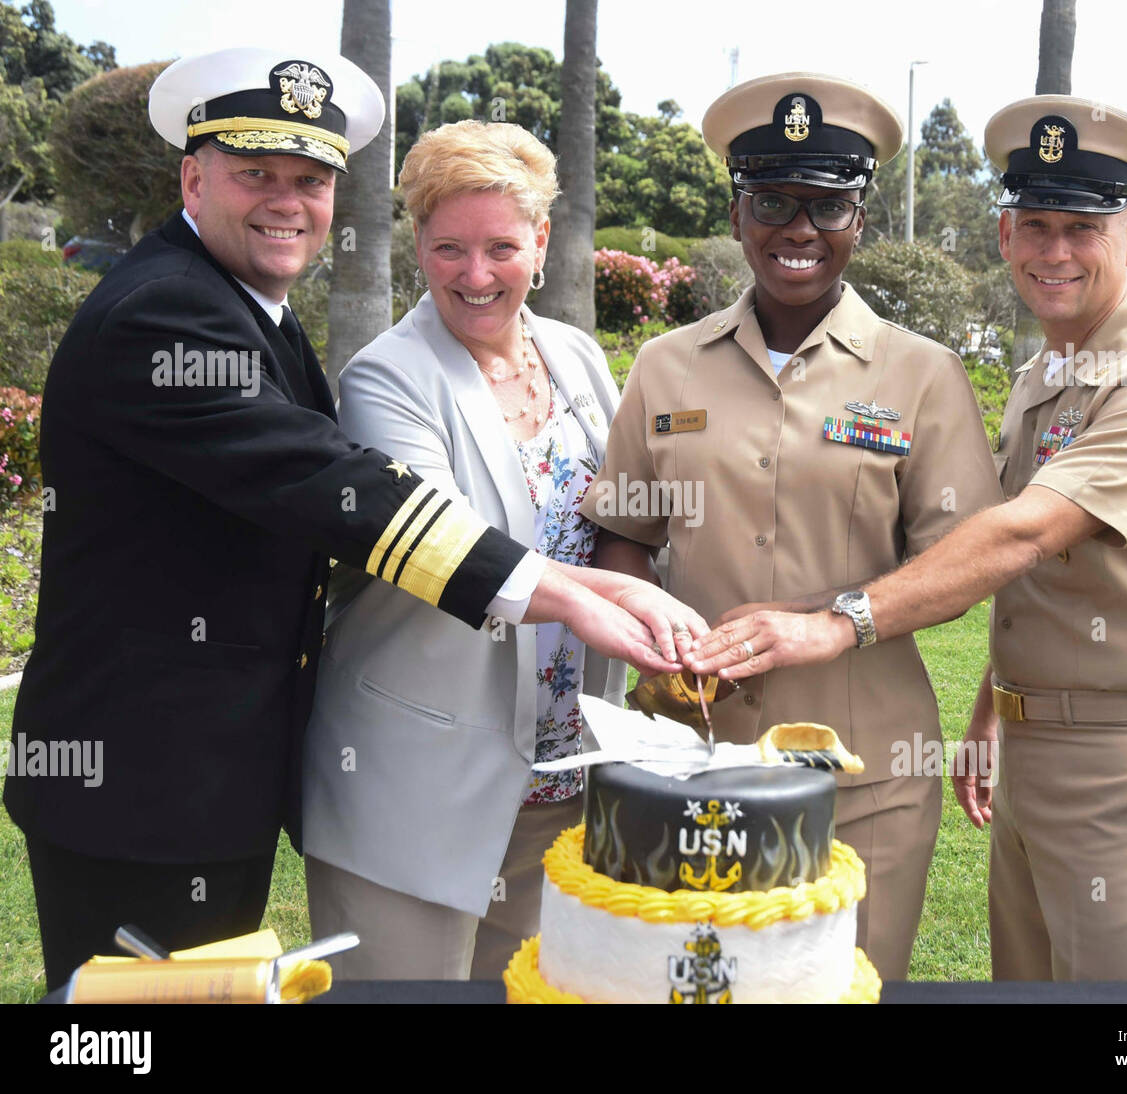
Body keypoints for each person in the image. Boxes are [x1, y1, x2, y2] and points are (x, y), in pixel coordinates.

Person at [4, 47, 693, 991]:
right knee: (122, 1022)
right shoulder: (162, 314)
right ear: (191, 178)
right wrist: (562, 592)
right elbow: (336, 486)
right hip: (141, 784)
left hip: (214, 777)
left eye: (310, 179)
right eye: (256, 174)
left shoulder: (252, 310)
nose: (286, 201)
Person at [687, 96, 1127, 982]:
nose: (1054, 251)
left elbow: (1022, 533)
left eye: (1083, 229)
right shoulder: (1045, 377)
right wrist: (994, 704)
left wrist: (836, 624)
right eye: (1036, 226)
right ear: (1004, 236)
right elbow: (1043, 577)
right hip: (1034, 754)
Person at [580, 73, 1004, 981]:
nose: (798, 228)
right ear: (737, 216)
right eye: (772, 200)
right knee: (695, 986)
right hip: (693, 761)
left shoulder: (922, 377)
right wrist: (653, 637)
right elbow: (624, 534)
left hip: (867, 780)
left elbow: (963, 565)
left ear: (861, 220)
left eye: (828, 204)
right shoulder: (665, 368)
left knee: (839, 989)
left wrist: (824, 617)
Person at [302, 120, 704, 981]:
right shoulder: (387, 378)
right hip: (420, 783)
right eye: (448, 247)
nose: (475, 275)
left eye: (500, 247)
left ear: (543, 241)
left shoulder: (577, 356)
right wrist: (625, 602)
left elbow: (619, 515)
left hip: (562, 772)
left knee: (534, 992)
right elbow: (458, 552)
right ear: (417, 241)